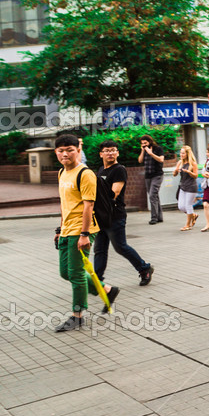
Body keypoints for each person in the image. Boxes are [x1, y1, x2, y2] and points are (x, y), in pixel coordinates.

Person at [54, 134, 118, 332]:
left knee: (76, 274)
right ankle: (107, 290)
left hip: (82, 229)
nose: (65, 154)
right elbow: (66, 205)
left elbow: (88, 206)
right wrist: (60, 229)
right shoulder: (61, 173)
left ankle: (78, 315)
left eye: (70, 150)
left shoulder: (86, 174)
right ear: (55, 152)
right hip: (67, 229)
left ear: (78, 150)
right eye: (61, 150)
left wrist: (84, 235)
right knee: (66, 272)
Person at [93, 141, 153, 287]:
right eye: (107, 151)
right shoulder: (101, 170)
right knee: (99, 249)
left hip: (115, 215)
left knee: (120, 247)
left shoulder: (119, 169)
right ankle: (97, 280)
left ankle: (144, 268)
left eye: (113, 150)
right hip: (101, 216)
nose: (110, 153)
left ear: (117, 153)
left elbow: (115, 193)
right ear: (101, 154)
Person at [138, 135, 165, 224]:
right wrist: (143, 151)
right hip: (148, 176)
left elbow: (161, 160)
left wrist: (151, 153)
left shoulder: (158, 149)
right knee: (154, 196)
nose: (144, 145)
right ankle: (159, 217)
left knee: (152, 195)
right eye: (142, 144)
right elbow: (140, 161)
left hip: (157, 175)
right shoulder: (144, 150)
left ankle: (154, 217)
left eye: (145, 143)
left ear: (150, 141)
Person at [174, 145, 199, 231]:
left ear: (187, 154)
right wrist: (176, 170)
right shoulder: (180, 163)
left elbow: (196, 176)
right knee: (181, 206)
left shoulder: (193, 163)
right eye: (180, 153)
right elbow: (174, 174)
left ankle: (188, 225)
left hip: (191, 187)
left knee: (188, 205)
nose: (181, 154)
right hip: (182, 186)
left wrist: (189, 172)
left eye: (183, 153)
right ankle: (193, 215)